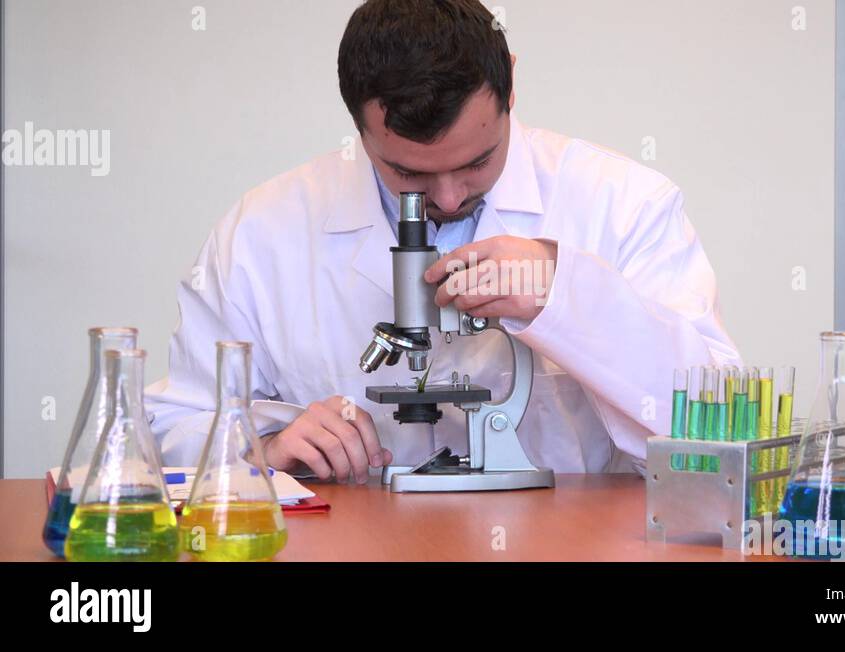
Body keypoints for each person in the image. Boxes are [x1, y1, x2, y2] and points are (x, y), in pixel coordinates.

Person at [145, 0, 741, 482]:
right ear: (359, 124)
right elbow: (170, 426)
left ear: (511, 87)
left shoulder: (624, 204)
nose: (451, 198)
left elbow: (718, 432)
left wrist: (564, 295)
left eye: (478, 162)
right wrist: (263, 447)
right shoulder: (263, 231)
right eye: (409, 174)